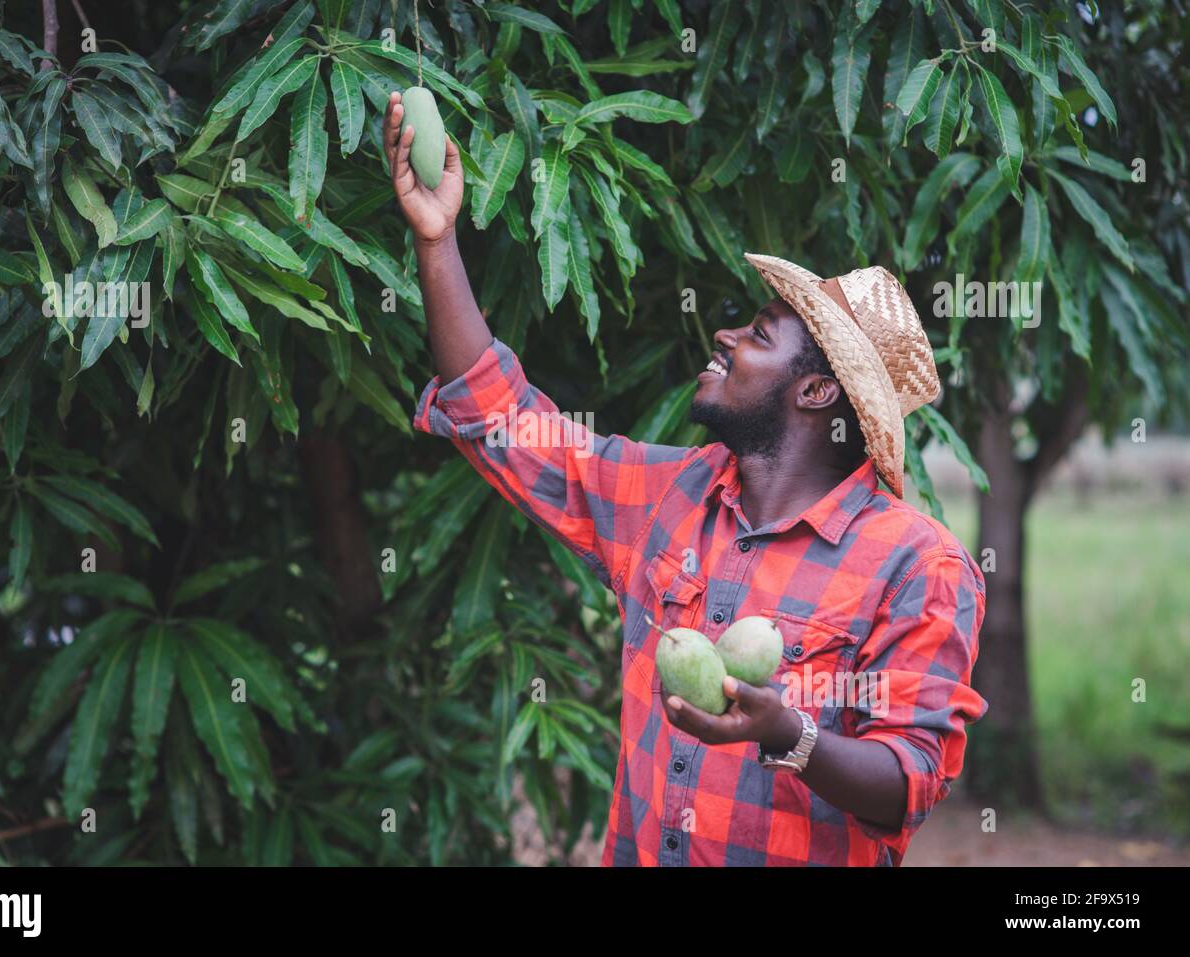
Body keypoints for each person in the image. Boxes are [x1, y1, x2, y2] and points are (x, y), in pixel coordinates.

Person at [384, 91, 989, 866]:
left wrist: (788, 733)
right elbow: (502, 417)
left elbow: (910, 778)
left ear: (816, 392)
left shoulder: (918, 565)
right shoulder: (668, 496)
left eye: (760, 333)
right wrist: (436, 241)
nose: (726, 334)